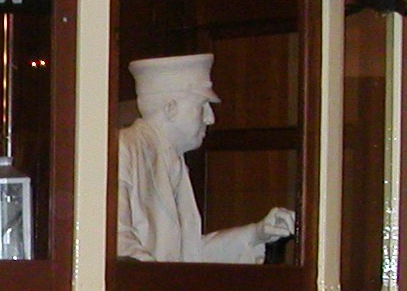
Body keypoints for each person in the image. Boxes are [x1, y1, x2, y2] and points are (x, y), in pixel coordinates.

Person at [116, 52, 295, 263]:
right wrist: (160, 280)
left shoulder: (172, 161)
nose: (210, 118)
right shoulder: (122, 149)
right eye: (203, 106)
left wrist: (257, 234)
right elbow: (117, 243)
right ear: (170, 108)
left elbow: (189, 254)